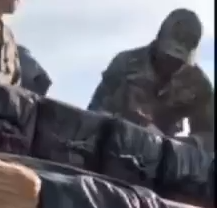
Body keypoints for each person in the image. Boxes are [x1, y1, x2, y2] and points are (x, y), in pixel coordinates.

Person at [88, 8, 215, 152]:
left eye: (179, 61)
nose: (171, 64)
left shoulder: (198, 85)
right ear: (158, 41)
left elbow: (209, 138)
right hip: (114, 146)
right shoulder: (125, 64)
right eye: (167, 56)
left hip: (162, 157)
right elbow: (94, 113)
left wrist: (173, 145)